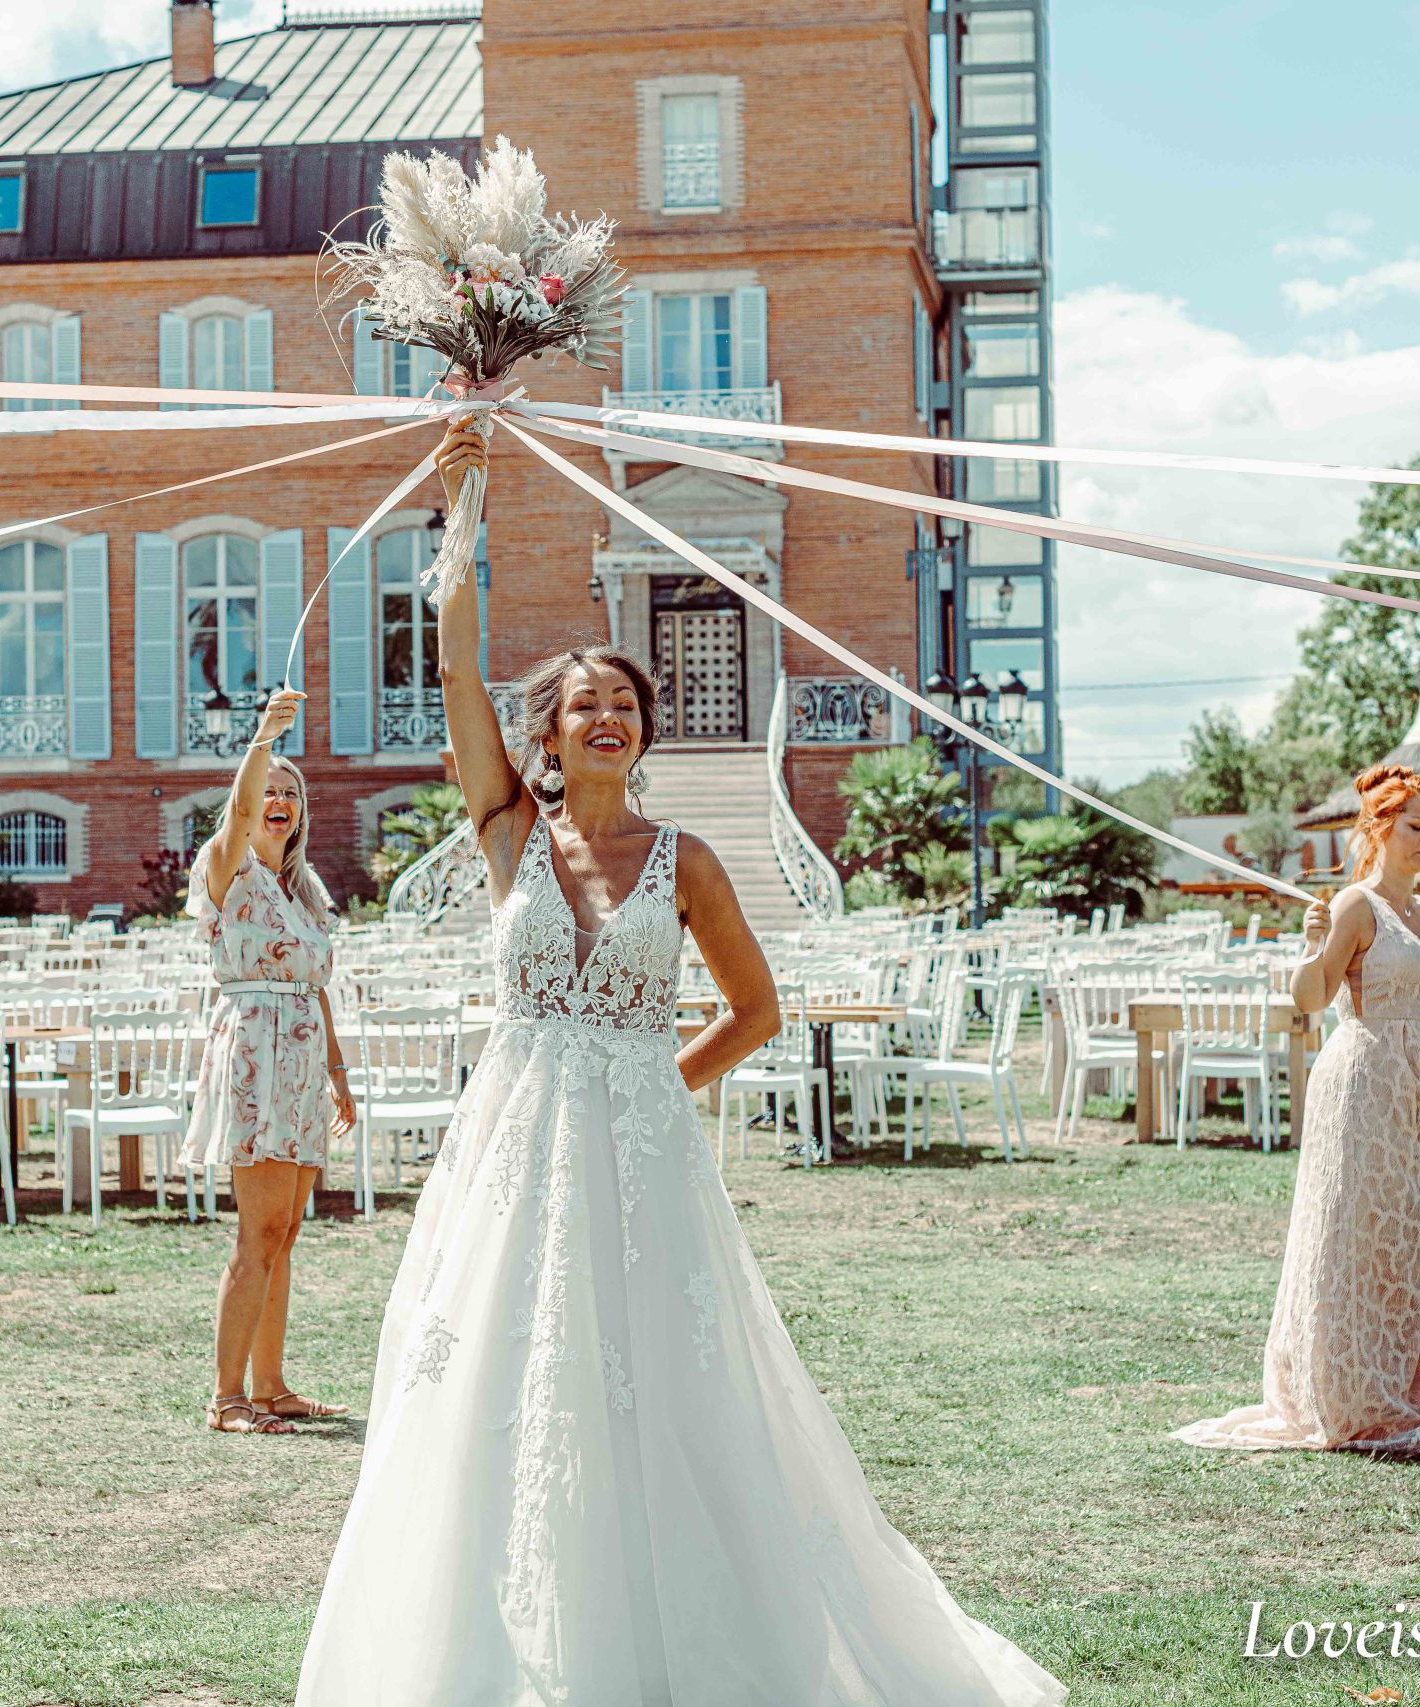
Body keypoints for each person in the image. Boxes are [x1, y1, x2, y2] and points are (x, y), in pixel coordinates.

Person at [295, 421, 1065, 1705]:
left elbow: (756, 1010)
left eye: (625, 703)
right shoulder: (506, 833)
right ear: (552, 730)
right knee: (496, 1361)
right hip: (517, 1143)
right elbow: (457, 670)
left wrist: (659, 1086)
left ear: (644, 734)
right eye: (586, 701)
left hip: (643, 1153)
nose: (607, 715)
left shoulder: (687, 861)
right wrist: (462, 499)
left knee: (662, 1378)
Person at [1176, 763, 1420, 1456]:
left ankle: (1411, 1396)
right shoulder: (1357, 906)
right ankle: (1350, 1398)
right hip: (1365, 1097)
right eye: (1416, 826)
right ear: (1380, 827)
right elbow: (1313, 997)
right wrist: (1311, 941)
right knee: (1357, 1247)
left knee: (1413, 1253)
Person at [180, 690, 357, 1436]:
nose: (278, 801)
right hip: (253, 1056)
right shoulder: (228, 866)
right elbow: (238, 808)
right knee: (256, 1232)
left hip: (302, 1064)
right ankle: (227, 1397)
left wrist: (340, 1075)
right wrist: (263, 739)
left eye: (291, 793)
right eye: (270, 792)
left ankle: (273, 1383)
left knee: (286, 1229)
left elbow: (317, 988)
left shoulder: (304, 888)